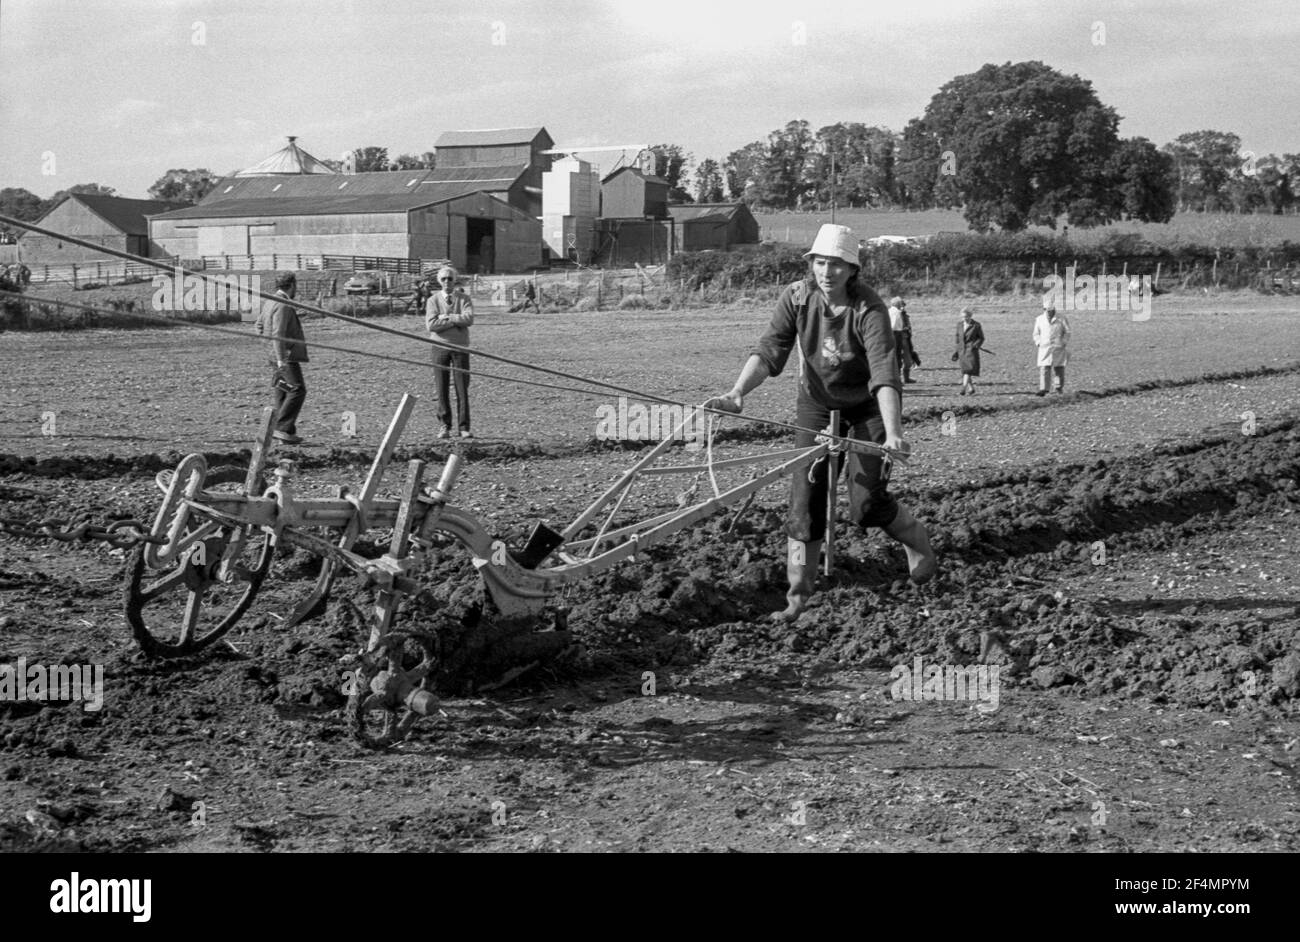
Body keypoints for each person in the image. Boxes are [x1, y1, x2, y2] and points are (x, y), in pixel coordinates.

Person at [705, 224, 937, 623]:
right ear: (810, 264)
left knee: (865, 503)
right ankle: (798, 597)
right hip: (815, 403)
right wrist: (738, 392)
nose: (826, 272)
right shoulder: (797, 298)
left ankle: (918, 542)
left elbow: (884, 372)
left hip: (866, 407)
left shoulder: (870, 310)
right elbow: (770, 349)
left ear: (852, 270)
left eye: (837, 264)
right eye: (820, 262)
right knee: (805, 500)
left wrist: (894, 433)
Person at [254, 272, 308, 444]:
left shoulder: (269, 301)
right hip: (285, 357)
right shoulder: (283, 304)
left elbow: (259, 325)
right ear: (292, 285)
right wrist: (280, 358)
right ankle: (281, 428)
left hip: (274, 355)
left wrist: (268, 347)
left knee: (283, 391)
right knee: (298, 390)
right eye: (296, 285)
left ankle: (287, 434)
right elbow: (279, 333)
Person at [427, 265, 475, 438]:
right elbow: (431, 325)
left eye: (450, 278)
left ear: (455, 280)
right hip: (439, 348)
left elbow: (469, 319)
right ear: (439, 281)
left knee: (462, 388)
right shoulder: (432, 300)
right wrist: (456, 321)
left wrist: (447, 318)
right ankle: (444, 426)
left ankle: (464, 427)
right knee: (442, 388)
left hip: (460, 348)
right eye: (444, 278)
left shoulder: (464, 299)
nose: (447, 281)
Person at [1032, 303, 1070, 395]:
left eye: (1051, 310)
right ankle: (1044, 389)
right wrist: (1038, 342)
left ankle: (1058, 388)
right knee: (1044, 368)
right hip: (1044, 347)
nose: (1049, 312)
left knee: (1059, 368)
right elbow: (1036, 333)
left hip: (1058, 347)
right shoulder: (1039, 319)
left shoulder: (1062, 318)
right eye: (1047, 310)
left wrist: (1064, 342)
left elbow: (1067, 332)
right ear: (1044, 310)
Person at [952, 306, 984, 395]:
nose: (964, 318)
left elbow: (981, 338)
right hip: (962, 351)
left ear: (970, 316)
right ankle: (971, 388)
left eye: (966, 316)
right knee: (965, 370)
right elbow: (957, 338)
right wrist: (956, 351)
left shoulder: (976, 325)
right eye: (962, 316)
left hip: (971, 351)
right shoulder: (959, 325)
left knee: (968, 370)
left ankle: (963, 389)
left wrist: (976, 345)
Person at [887, 296, 919, 383]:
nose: (903, 306)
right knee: (897, 358)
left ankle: (906, 378)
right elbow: (893, 326)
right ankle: (898, 378)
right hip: (898, 336)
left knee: (907, 359)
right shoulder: (895, 312)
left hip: (904, 337)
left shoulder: (902, 313)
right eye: (902, 304)